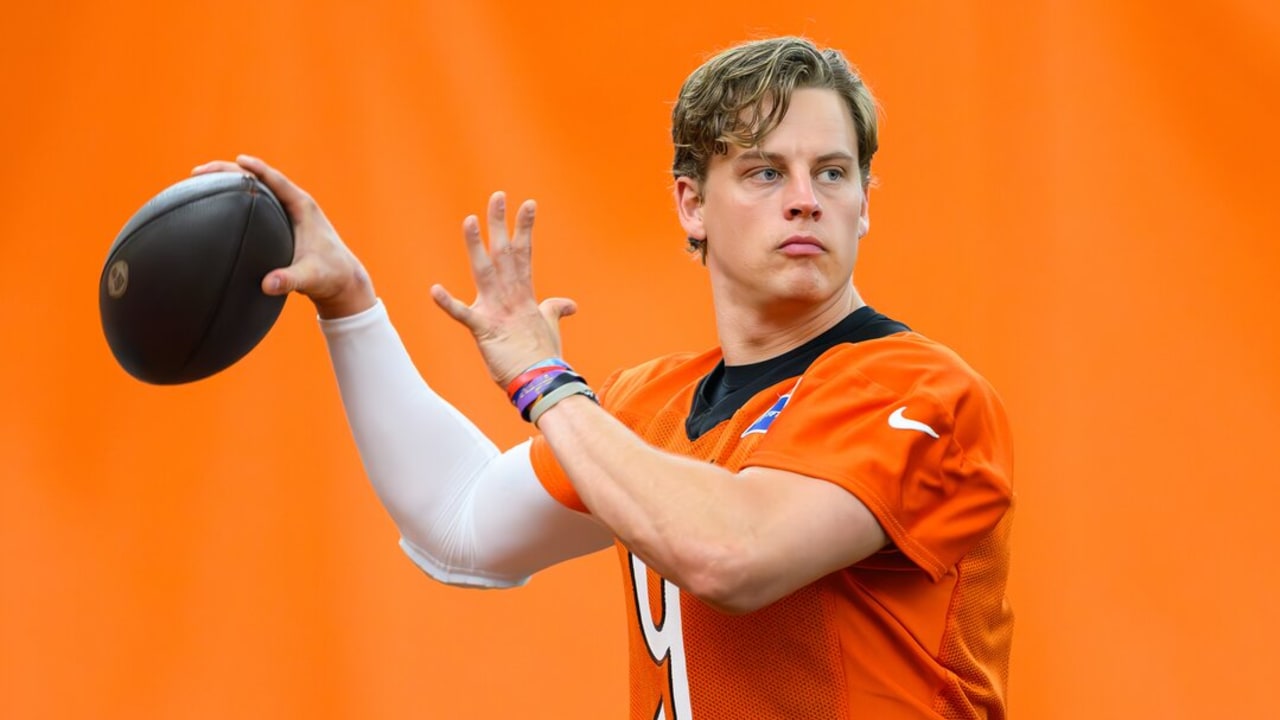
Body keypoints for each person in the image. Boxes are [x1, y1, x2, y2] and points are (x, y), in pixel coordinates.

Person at [195, 36, 1014, 719]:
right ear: (692, 204)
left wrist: (547, 386)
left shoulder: (919, 390)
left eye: (832, 173)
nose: (805, 200)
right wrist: (350, 306)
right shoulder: (651, 405)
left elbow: (731, 555)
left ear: (865, 200)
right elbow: (459, 523)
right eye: (765, 172)